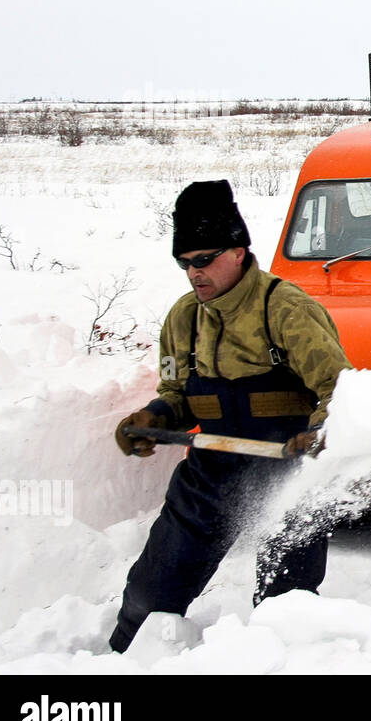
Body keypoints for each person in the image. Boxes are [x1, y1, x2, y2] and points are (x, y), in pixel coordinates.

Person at [108, 179, 352, 653]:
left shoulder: (287, 310)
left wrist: (319, 432)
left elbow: (340, 391)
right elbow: (177, 391)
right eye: (184, 263)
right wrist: (157, 416)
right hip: (213, 465)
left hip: (288, 468)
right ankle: (121, 660)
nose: (193, 273)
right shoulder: (183, 318)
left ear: (238, 251)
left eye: (204, 260)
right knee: (151, 592)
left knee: (286, 608)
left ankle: (286, 661)